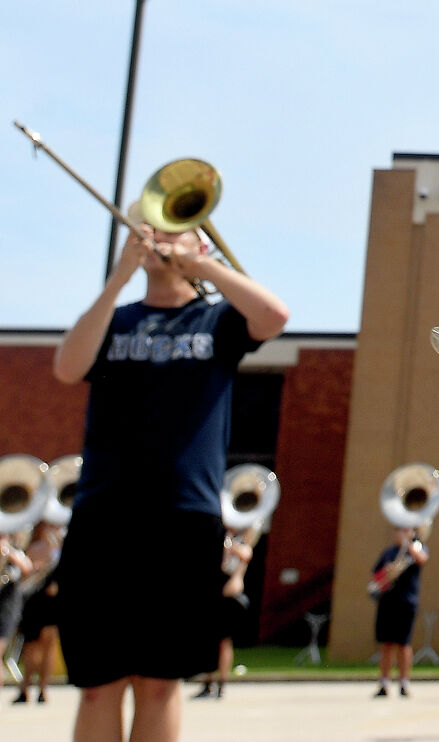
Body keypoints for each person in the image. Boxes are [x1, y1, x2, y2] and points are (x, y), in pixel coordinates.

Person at [51, 219, 289, 742]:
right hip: (103, 519)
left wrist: (202, 267)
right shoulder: (115, 320)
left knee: (160, 684)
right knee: (97, 686)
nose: (159, 237)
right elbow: (67, 368)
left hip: (185, 521)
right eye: (151, 229)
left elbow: (275, 315)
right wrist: (118, 279)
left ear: (201, 243)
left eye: (175, 231)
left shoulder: (217, 319)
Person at [193, 525, 255, 700]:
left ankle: (222, 683)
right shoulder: (221, 539)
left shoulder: (242, 543)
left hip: (229, 593)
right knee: (208, 640)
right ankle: (208, 682)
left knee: (224, 640)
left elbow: (245, 554)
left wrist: (229, 544)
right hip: (214, 589)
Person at [369, 526, 428, 697]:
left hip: (407, 601)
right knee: (386, 644)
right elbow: (376, 575)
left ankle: (404, 682)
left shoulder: (417, 547)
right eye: (399, 530)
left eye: (405, 530)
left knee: (403, 644)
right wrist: (388, 571)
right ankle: (384, 683)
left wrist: (409, 545)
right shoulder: (389, 552)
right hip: (387, 601)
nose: (401, 533)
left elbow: (422, 559)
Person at [11, 522, 62, 705]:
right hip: (34, 600)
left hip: (52, 602)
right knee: (31, 646)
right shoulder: (32, 546)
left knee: (48, 645)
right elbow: (23, 575)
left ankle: (43, 688)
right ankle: (25, 686)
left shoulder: (59, 548)